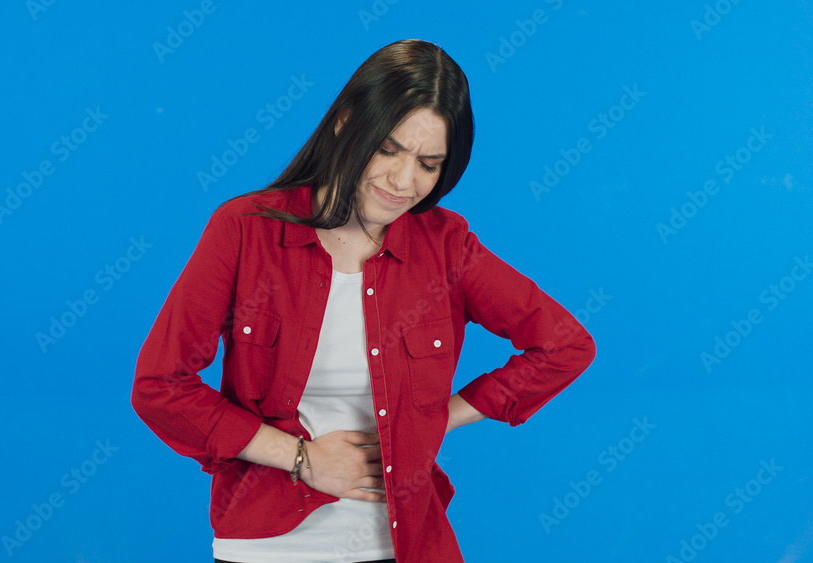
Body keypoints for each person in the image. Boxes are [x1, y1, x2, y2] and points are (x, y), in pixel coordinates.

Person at [131, 39, 596, 563]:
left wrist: (430, 418)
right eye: (388, 149)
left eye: (429, 163)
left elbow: (564, 345)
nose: (404, 181)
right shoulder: (244, 231)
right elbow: (160, 386)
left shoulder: (446, 245)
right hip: (270, 545)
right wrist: (302, 459)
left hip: (408, 545)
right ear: (346, 122)